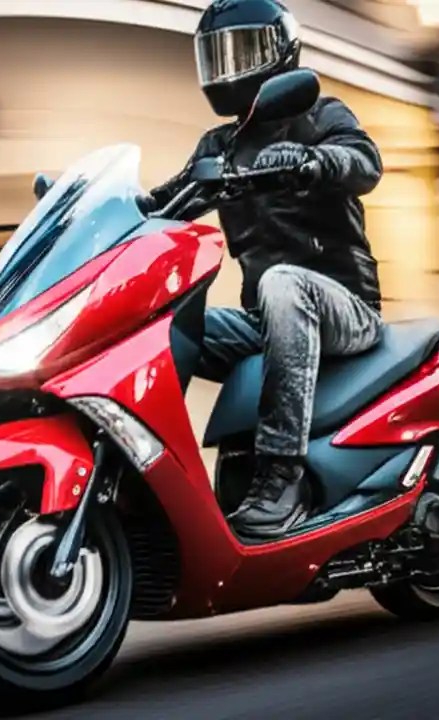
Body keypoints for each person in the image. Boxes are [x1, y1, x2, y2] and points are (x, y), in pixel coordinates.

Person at [141, 0, 385, 539]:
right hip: (269, 319)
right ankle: (140, 475)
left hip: (345, 306)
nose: (230, 68)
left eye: (244, 51)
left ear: (279, 53)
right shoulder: (220, 146)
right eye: (218, 55)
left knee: (280, 282)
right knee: (154, 324)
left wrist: (314, 162)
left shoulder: (322, 115)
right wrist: (115, 209)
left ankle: (282, 478)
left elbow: (365, 161)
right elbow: (171, 199)